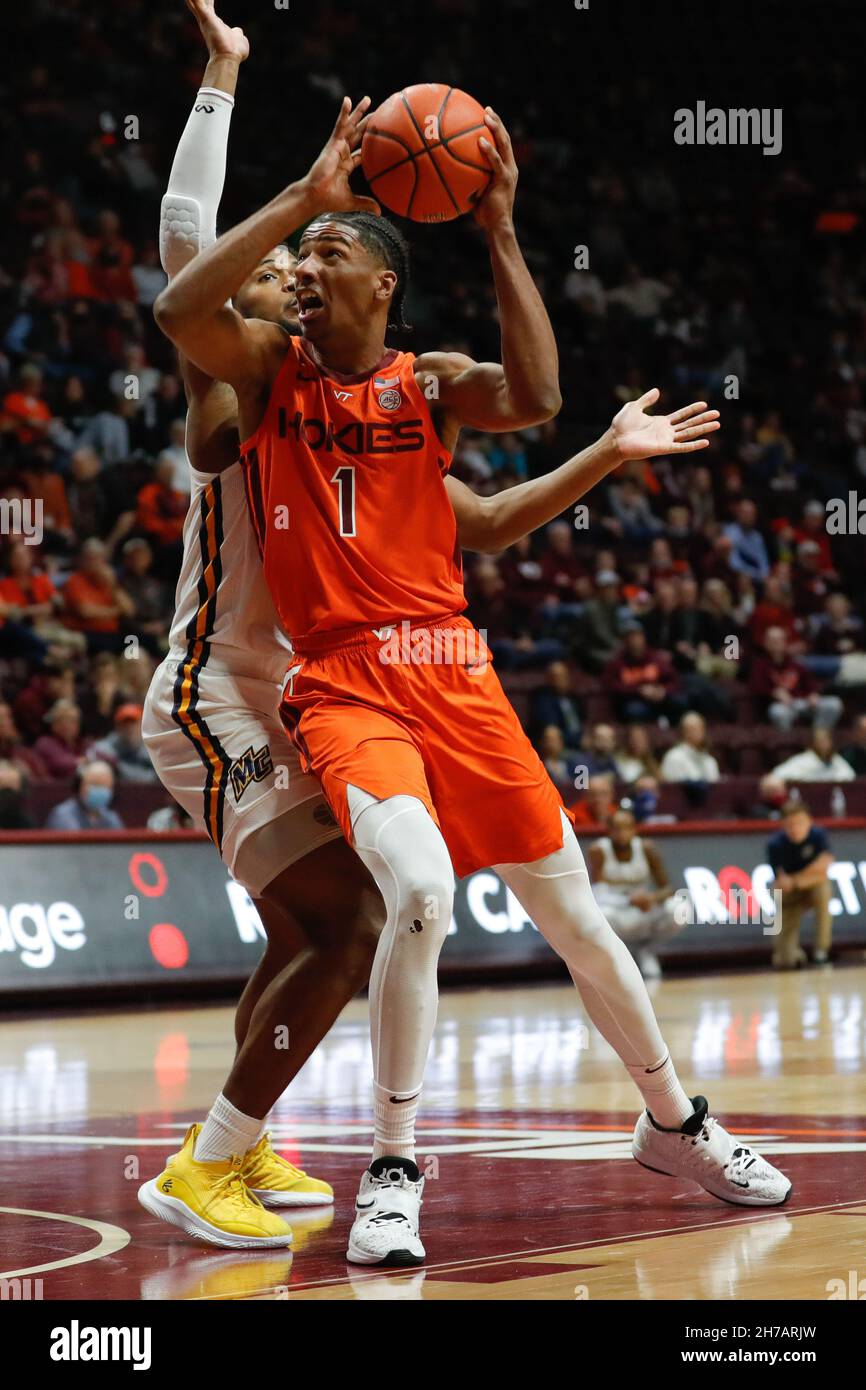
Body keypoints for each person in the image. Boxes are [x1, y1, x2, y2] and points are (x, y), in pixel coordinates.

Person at [154, 51, 787, 1266]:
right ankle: (392, 1164)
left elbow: (534, 403)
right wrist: (299, 195)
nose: (306, 274)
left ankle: (677, 1124)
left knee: (577, 920)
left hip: (457, 675)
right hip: (339, 682)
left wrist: (502, 232)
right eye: (304, 257)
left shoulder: (427, 384)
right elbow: (180, 303)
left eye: (331, 255)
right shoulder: (264, 374)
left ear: (384, 287)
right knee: (417, 893)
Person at [587, 809, 684, 979]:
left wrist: (652, 898)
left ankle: (647, 951)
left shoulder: (647, 848)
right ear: (609, 830)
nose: (622, 833)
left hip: (643, 909)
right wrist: (629, 901)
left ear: (634, 829)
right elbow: (597, 895)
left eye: (626, 828)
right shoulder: (598, 850)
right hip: (617, 911)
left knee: (680, 909)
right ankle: (616, 959)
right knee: (601, 915)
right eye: (617, 828)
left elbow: (669, 889)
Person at [767, 801, 834, 967]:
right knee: (784, 961)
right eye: (790, 824)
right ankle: (793, 954)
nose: (795, 828)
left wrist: (797, 880)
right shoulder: (775, 844)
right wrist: (807, 876)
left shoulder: (818, 836)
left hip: (811, 887)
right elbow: (781, 882)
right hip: (790, 894)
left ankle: (821, 950)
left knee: (823, 890)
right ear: (783, 825)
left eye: (799, 823)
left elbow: (825, 866)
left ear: (809, 822)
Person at [749, 625, 843, 731]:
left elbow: (810, 684)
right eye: (772, 640)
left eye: (779, 640)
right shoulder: (760, 665)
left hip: (802, 703)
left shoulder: (796, 664)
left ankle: (818, 736)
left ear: (785, 642)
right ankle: (787, 742)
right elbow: (757, 688)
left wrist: (813, 694)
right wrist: (774, 693)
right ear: (765, 643)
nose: (776, 643)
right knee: (777, 712)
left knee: (834, 704)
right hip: (781, 707)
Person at [45, 760, 124, 831]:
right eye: (96, 784)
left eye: (106, 786)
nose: (101, 790)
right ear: (80, 786)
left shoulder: (111, 818)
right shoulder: (62, 815)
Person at [90, 703, 160, 783]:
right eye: (125, 723)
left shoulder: (151, 749)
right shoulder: (104, 748)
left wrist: (119, 768)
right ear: (117, 727)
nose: (129, 728)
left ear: (142, 725)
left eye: (133, 723)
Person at [770, 728, 855, 783]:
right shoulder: (804, 760)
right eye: (821, 742)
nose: (824, 745)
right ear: (813, 744)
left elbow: (850, 776)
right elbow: (778, 774)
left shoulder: (837, 760)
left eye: (826, 741)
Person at [659, 712, 721, 784]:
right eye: (691, 729)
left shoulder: (710, 761)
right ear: (683, 731)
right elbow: (673, 789)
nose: (697, 732)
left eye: (700, 728)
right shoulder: (674, 757)